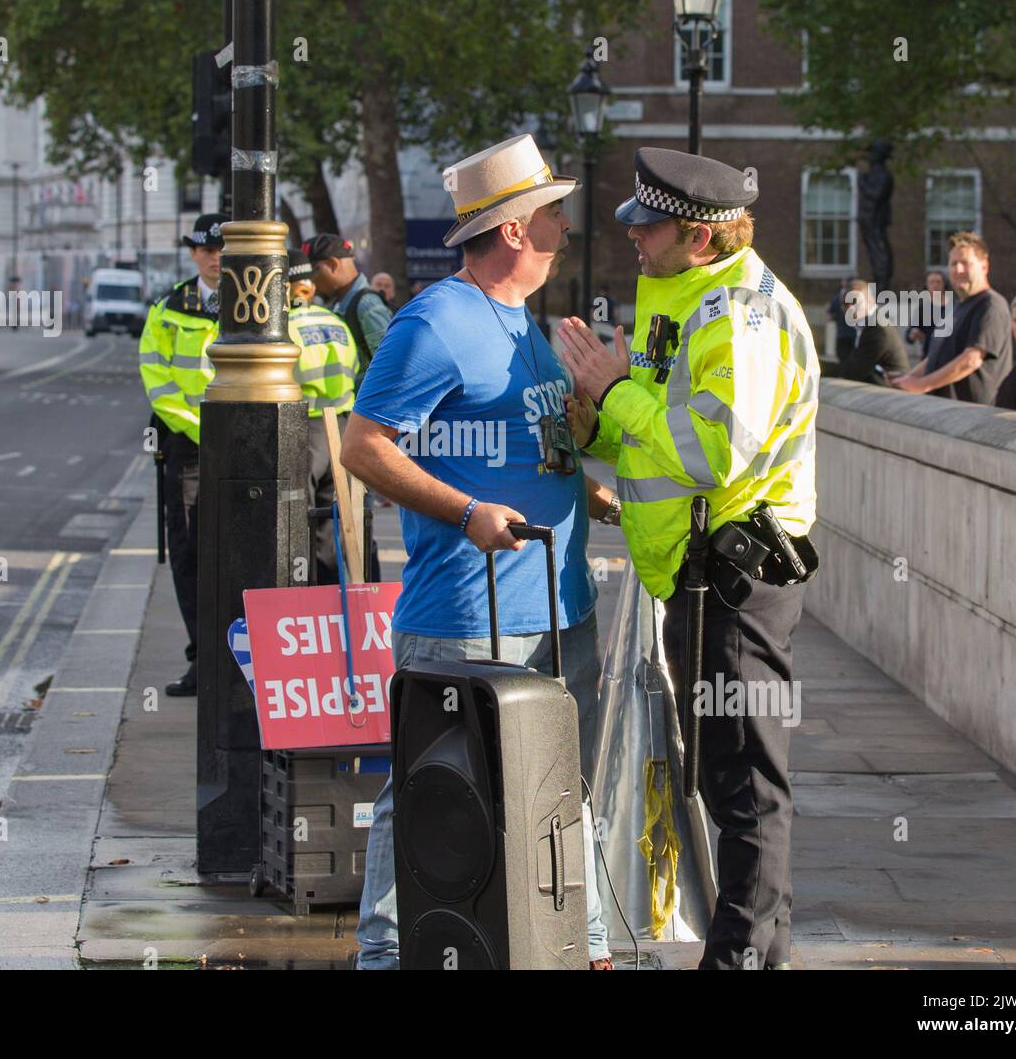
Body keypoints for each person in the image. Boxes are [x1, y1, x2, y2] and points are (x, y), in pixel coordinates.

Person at [341, 133, 612, 970]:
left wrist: (583, 461)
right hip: (467, 614)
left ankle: (582, 942)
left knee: (561, 789)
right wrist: (466, 513)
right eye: (552, 213)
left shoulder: (526, 323)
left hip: (561, 608)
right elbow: (363, 446)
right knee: (430, 797)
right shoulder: (437, 321)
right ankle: (385, 956)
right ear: (514, 233)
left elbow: (526, 440)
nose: (566, 226)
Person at [559, 147, 819, 971]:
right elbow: (657, 432)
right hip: (700, 575)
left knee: (745, 784)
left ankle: (738, 954)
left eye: (650, 227)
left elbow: (716, 453)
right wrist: (593, 424)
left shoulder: (739, 313)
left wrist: (614, 392)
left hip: (737, 577)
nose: (633, 239)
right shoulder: (690, 294)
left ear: (699, 238)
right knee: (727, 775)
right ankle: (761, 952)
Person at [138, 213, 223, 697]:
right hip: (187, 446)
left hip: (244, 445)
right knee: (189, 552)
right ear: (193, 254)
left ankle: (243, 657)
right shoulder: (169, 307)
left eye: (221, 249)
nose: (214, 257)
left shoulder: (255, 302)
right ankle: (202, 659)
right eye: (205, 249)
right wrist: (201, 428)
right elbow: (158, 378)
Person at [285, 248, 366, 582]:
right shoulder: (335, 322)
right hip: (342, 424)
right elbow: (356, 368)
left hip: (305, 426)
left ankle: (303, 595)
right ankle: (333, 602)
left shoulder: (285, 326)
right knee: (334, 523)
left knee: (296, 520)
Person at [888, 231, 1011, 403]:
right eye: (953, 264)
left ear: (984, 266)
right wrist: (906, 380)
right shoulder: (957, 306)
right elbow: (937, 355)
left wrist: (922, 385)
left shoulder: (991, 305)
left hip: (976, 417)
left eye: (965, 263)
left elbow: (971, 360)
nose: (958, 270)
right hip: (946, 411)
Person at [303, 233, 393, 377]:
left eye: (314, 273)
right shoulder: (337, 303)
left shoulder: (367, 306)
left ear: (333, 265)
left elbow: (391, 367)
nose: (311, 282)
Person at [839, 278, 908, 386]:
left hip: (892, 390)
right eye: (845, 304)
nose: (850, 308)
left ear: (869, 300)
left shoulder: (877, 328)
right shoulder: (867, 323)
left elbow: (856, 372)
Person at [907, 270, 946, 359]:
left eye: (938, 282)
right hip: (928, 357)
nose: (935, 285)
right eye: (931, 282)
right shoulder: (922, 308)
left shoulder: (954, 306)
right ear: (927, 285)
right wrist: (914, 334)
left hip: (949, 357)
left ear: (944, 284)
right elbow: (909, 335)